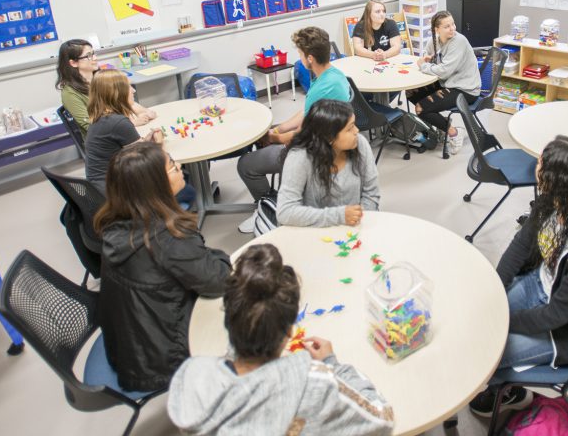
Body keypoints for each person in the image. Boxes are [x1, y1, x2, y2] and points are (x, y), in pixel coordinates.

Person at [468, 136, 568, 418]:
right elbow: (521, 246)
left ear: (559, 181)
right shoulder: (556, 200)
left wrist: (504, 321)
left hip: (567, 333)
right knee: (479, 322)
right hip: (541, 285)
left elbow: (556, 315)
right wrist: (496, 290)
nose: (537, 166)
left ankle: (505, 390)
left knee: (487, 351)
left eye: (542, 164)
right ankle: (502, 378)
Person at [168, 243, 394, 435]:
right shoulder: (314, 385)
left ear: (229, 321)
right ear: (289, 331)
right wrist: (332, 364)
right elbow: (382, 419)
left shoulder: (192, 377)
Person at [94, 141, 231, 392]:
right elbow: (220, 279)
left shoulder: (116, 223)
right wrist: (221, 255)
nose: (179, 167)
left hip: (128, 348)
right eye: (171, 165)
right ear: (154, 184)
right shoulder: (167, 237)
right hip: (162, 363)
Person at [237, 27, 351, 231]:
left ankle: (270, 208)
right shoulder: (328, 75)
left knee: (245, 165)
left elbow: (303, 133)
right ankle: (279, 200)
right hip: (317, 141)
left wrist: (275, 138)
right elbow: (306, 111)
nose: (298, 58)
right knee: (265, 135)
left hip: (315, 152)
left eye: (299, 53)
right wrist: (279, 128)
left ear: (309, 58)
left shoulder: (327, 85)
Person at [277, 99, 379, 228]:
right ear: (329, 137)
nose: (357, 131)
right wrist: (340, 217)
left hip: (354, 226)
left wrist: (360, 220)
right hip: (312, 230)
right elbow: (285, 212)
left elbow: (371, 193)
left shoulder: (360, 143)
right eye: (350, 128)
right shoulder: (300, 157)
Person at [406, 11, 481, 155]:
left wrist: (424, 66)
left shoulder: (459, 41)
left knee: (421, 108)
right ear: (436, 30)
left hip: (465, 89)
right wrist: (428, 61)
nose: (452, 28)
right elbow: (431, 60)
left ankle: (453, 132)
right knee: (411, 92)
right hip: (447, 83)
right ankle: (440, 126)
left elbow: (444, 71)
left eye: (452, 24)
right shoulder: (433, 41)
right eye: (447, 26)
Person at [84, 69, 164, 194]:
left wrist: (145, 141)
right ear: (116, 93)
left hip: (100, 185)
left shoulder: (101, 117)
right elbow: (145, 163)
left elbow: (129, 148)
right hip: (116, 189)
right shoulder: (119, 122)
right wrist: (158, 144)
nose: (134, 90)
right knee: (186, 190)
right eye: (128, 87)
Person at [55, 38, 155, 137]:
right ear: (73, 63)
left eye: (93, 53)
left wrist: (145, 112)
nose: (95, 58)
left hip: (122, 128)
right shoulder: (69, 93)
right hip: (104, 141)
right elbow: (91, 126)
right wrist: (132, 123)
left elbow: (125, 101)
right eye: (89, 56)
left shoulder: (101, 77)